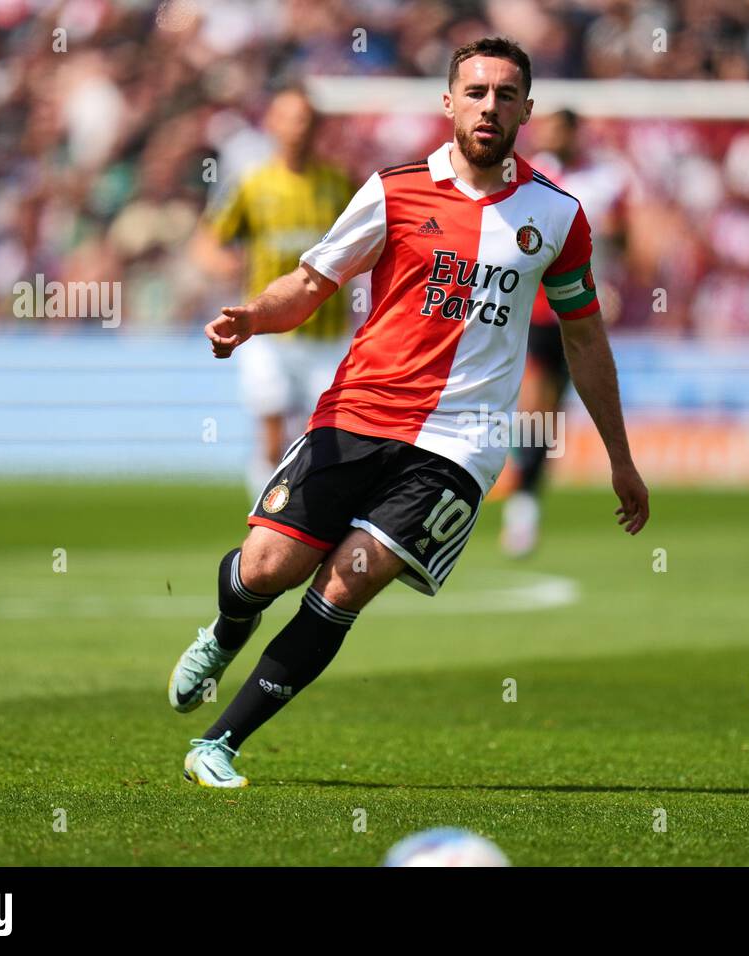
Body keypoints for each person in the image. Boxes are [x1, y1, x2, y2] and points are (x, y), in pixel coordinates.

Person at [169, 37, 650, 788]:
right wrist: (252, 318)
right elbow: (311, 281)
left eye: (506, 94)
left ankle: (219, 744)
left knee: (346, 582)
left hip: (460, 446)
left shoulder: (556, 217)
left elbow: (585, 338)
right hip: (358, 413)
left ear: (526, 109)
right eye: (477, 91)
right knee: (266, 568)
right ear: (449, 102)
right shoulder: (394, 190)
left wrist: (621, 458)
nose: (490, 106)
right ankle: (227, 630)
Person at [192, 88, 356, 497]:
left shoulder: (339, 184)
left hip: (326, 335)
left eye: (304, 119)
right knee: (270, 434)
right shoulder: (253, 185)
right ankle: (263, 522)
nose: (297, 128)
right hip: (267, 334)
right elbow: (207, 243)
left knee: (325, 439)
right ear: (272, 125)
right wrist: (222, 263)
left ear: (316, 126)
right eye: (288, 118)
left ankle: (308, 519)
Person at [500, 108, 633, 556]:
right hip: (534, 307)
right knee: (534, 405)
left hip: (580, 309)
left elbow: (621, 243)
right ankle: (518, 502)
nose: (548, 135)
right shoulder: (529, 174)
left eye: (558, 129)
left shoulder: (607, 179)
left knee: (549, 415)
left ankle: (527, 497)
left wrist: (609, 275)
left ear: (575, 133)